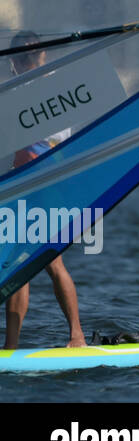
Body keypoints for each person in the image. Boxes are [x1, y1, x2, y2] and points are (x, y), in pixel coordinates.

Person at [4, 31, 85, 349]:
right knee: (15, 264)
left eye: (33, 55)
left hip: (48, 183)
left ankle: (76, 336)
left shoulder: (54, 86)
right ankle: (10, 347)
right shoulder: (13, 89)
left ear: (43, 57)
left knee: (52, 261)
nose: (28, 61)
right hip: (18, 182)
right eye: (21, 57)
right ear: (13, 61)